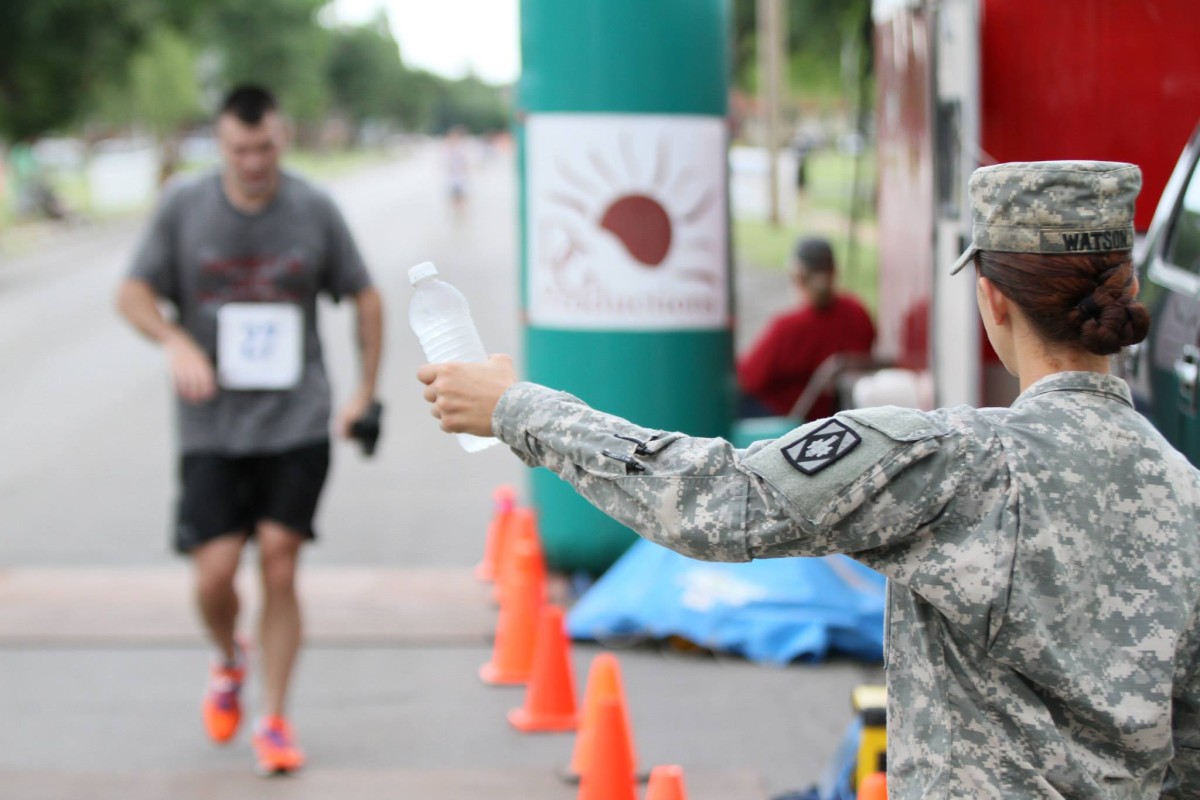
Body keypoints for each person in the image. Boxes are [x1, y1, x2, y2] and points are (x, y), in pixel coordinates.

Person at [418, 161, 1200, 798]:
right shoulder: (1186, 494)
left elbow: (716, 503)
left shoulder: (948, 463)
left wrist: (519, 409)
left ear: (992, 299)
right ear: (1125, 296)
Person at [115, 84, 383, 775]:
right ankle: (230, 659)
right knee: (213, 575)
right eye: (240, 149)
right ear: (220, 143)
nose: (254, 162)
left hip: (296, 416)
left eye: (265, 147)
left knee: (279, 560)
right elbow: (132, 292)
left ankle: (274, 718)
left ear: (282, 138)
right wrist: (174, 341)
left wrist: (363, 391)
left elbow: (365, 293)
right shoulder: (184, 207)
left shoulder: (313, 209)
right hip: (211, 424)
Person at [737, 236, 876, 420]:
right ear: (834, 272)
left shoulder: (788, 327)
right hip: (837, 416)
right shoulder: (857, 312)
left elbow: (747, 379)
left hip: (791, 420)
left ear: (797, 276)